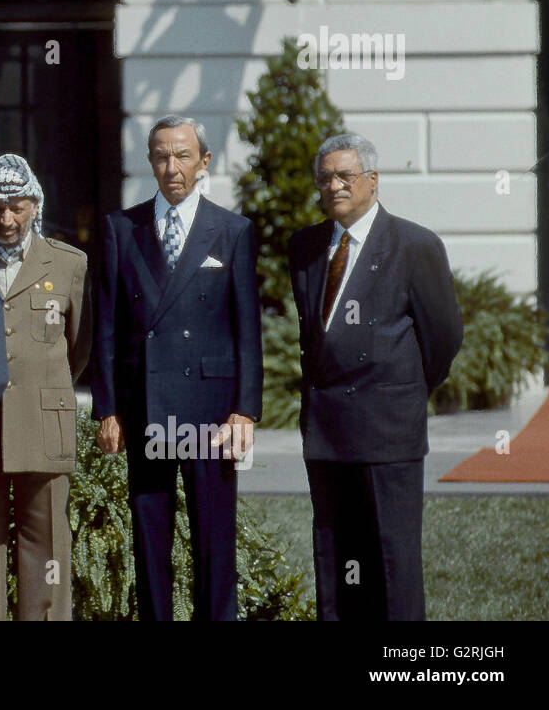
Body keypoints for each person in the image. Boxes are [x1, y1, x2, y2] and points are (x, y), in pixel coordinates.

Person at [92, 114, 262, 621]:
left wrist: (245, 410)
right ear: (149, 162)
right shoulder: (121, 229)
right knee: (150, 534)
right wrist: (108, 409)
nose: (172, 166)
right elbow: (106, 326)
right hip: (147, 404)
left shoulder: (232, 231)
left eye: (183, 155)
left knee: (214, 537)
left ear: (204, 162)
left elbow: (247, 328)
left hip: (211, 412)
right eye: (162, 156)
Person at [288, 133, 462, 621]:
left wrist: (399, 390)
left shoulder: (415, 245)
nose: (334, 186)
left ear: (372, 180)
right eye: (325, 178)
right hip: (327, 431)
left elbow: (444, 337)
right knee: (337, 558)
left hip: (389, 431)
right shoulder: (303, 246)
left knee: (392, 561)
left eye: (345, 175)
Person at [0, 154, 90, 621]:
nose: (6, 220)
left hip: (45, 419)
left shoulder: (68, 263)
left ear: (35, 205)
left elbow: (80, 347)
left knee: (48, 540)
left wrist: (44, 385)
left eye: (17, 207)